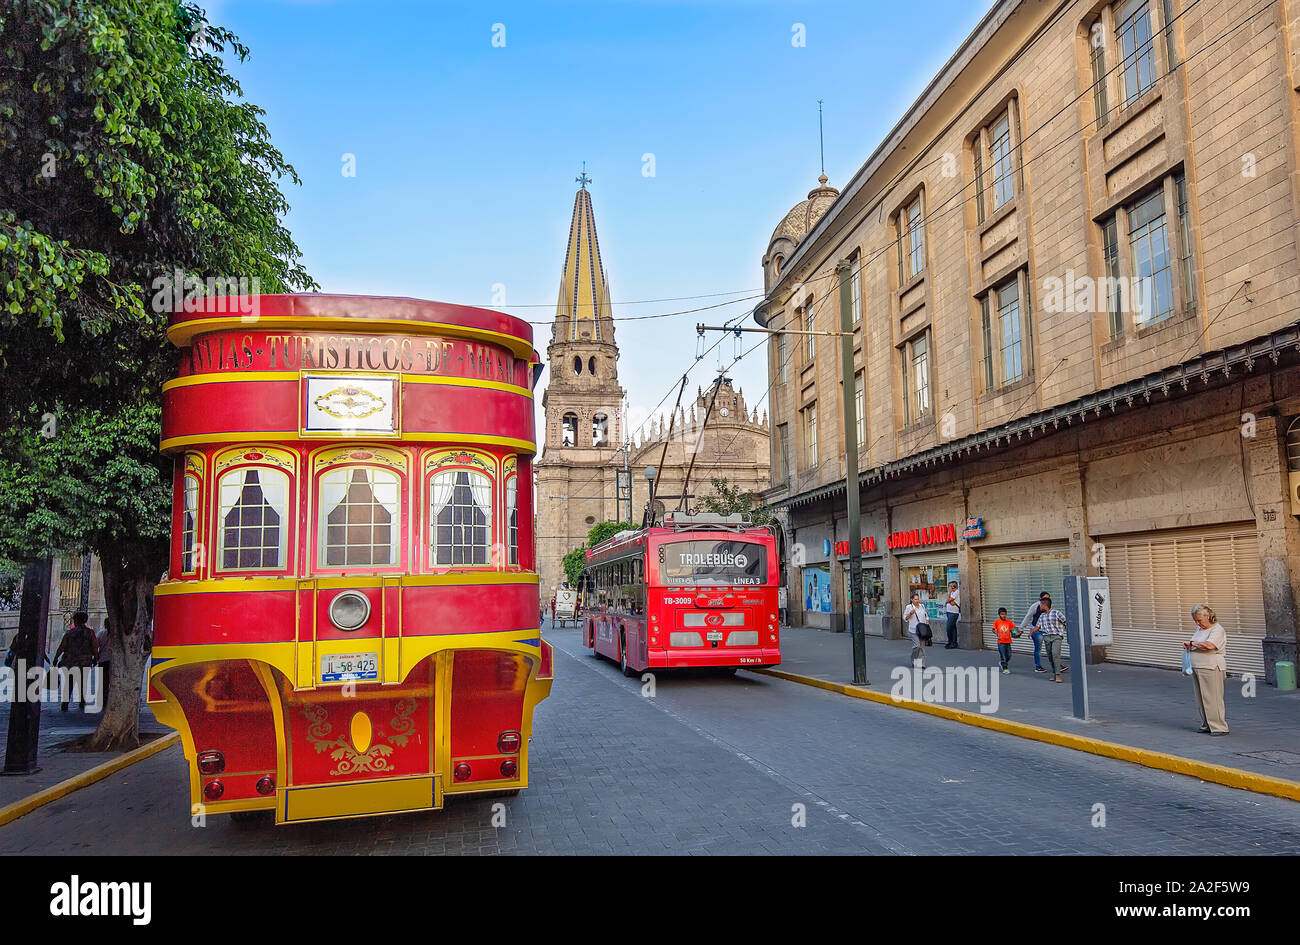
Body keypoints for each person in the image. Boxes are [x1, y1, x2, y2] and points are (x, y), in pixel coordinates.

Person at [1186, 604, 1228, 735]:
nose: (1198, 623)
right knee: (1201, 698)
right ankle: (1207, 724)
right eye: (1195, 620)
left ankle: (1219, 727)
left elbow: (1210, 645)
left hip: (1211, 667)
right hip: (1198, 666)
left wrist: (1192, 644)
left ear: (1209, 617)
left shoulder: (1217, 629)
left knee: (1212, 698)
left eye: (1199, 620)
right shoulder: (1200, 629)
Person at [54, 611, 99, 711]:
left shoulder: (69, 633)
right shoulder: (90, 633)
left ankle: (65, 703)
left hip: (71, 661)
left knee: (69, 682)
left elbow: (62, 646)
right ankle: (82, 702)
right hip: (85, 661)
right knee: (83, 682)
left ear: (75, 620)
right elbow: (94, 646)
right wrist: (96, 658)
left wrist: (56, 657)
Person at [1021, 591, 1068, 675]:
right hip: (1037, 629)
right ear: (1040, 599)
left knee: (1054, 651)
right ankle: (1038, 666)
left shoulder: (1051, 608)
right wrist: (1022, 628)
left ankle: (1057, 666)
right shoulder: (1035, 606)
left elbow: (1058, 619)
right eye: (1045, 598)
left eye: (1048, 598)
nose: (1047, 599)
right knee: (1039, 648)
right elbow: (1028, 617)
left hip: (1048, 631)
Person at [1035, 594, 1068, 683]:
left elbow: (1066, 621)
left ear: (1045, 605)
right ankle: (1054, 673)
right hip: (1046, 637)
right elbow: (1038, 626)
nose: (1040, 607)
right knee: (1050, 656)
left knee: (1055, 654)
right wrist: (1031, 632)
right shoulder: (1042, 616)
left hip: (1056, 636)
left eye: (1041, 605)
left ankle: (1058, 675)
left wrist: (1065, 630)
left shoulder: (1056, 613)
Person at [902, 592, 928, 668]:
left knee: (922, 647)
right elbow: (905, 618)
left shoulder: (922, 606)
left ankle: (921, 663)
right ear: (912, 600)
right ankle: (913, 660)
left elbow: (926, 615)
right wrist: (910, 613)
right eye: (915, 599)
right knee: (917, 646)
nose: (917, 601)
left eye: (918, 599)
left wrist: (927, 621)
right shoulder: (909, 607)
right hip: (913, 630)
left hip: (922, 630)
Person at [992, 607, 1016, 674]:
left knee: (1009, 655)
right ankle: (1005, 668)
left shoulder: (1009, 622)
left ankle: (1002, 663)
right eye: (1002, 614)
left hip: (1008, 641)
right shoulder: (997, 621)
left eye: (1005, 614)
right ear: (999, 615)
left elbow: (1014, 629)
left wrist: (1017, 633)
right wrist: (996, 633)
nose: (1004, 615)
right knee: (1003, 656)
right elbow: (993, 629)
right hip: (1001, 642)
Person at [944, 581, 960, 649]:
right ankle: (953, 643)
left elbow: (948, 600)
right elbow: (948, 601)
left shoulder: (956, 592)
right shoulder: (952, 593)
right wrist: (949, 600)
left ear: (955, 586)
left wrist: (949, 594)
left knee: (948, 628)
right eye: (949, 586)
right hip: (949, 612)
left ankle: (951, 641)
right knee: (953, 628)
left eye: (951, 586)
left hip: (953, 613)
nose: (950, 587)